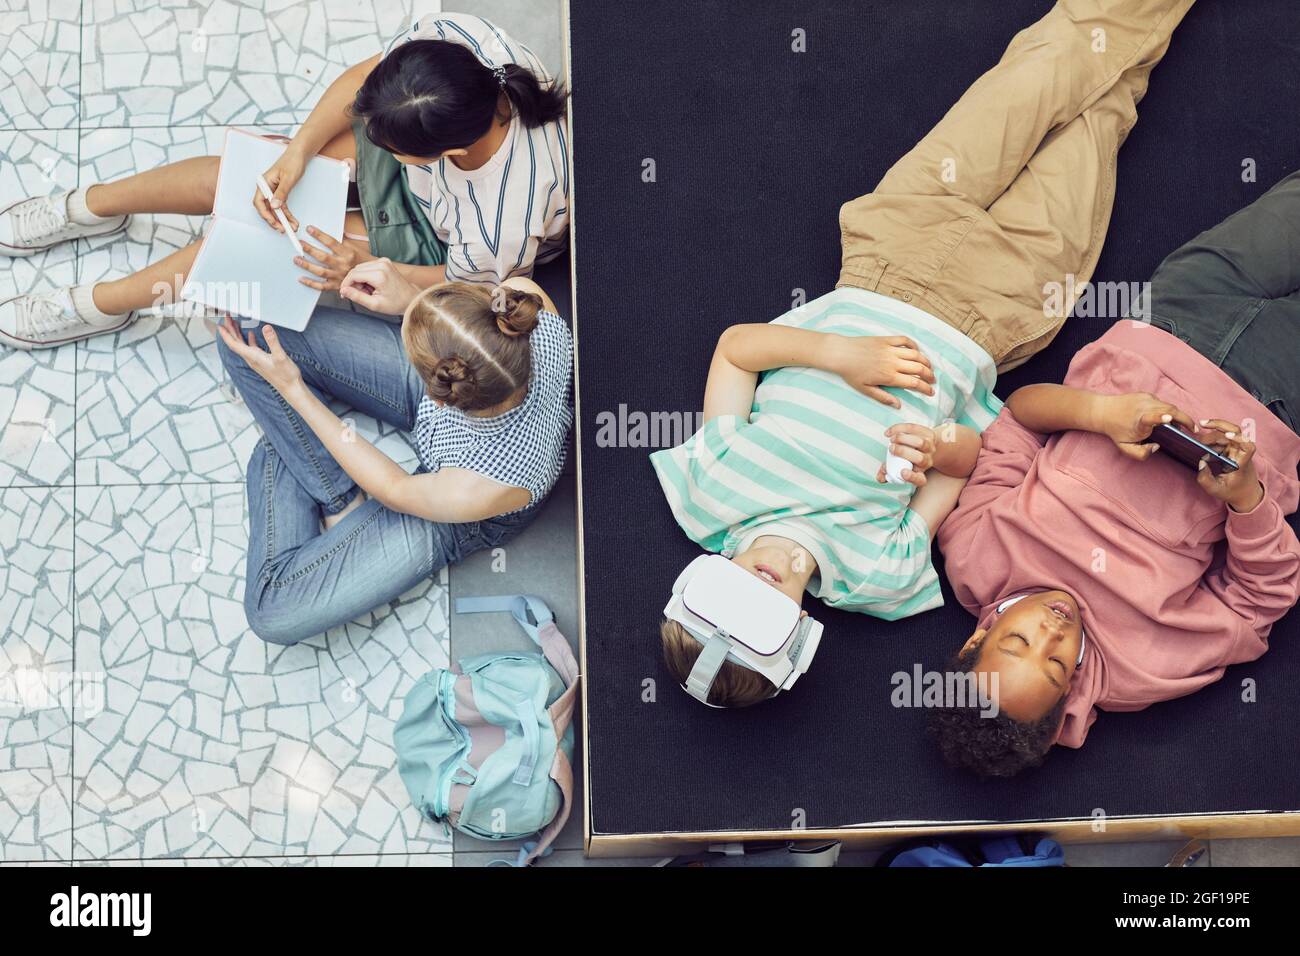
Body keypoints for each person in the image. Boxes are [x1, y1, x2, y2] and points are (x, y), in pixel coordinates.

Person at [651, 0, 1195, 707]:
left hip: (891, 252)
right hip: (998, 309)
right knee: (1104, 115)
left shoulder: (711, 498)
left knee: (1044, 70)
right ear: (797, 631)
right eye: (763, 609)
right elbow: (980, 456)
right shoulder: (877, 574)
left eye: (731, 590)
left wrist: (840, 356)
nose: (760, 578)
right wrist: (940, 446)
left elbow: (737, 352)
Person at [931, 169, 1300, 777]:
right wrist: (1245, 499)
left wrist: (1101, 413)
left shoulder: (973, 555)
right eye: (1055, 665)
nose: (1053, 631)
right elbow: (1262, 599)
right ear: (1071, 693)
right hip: (1277, 401)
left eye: (1018, 641)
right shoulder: (1146, 670)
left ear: (975, 641)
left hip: (1171, 324)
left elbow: (1019, 418)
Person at [0, 12, 568, 349]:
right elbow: (367, 81)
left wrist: (369, 270)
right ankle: (89, 206)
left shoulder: (502, 225)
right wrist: (297, 155)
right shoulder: (455, 40)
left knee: (264, 245)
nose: (368, 145)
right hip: (434, 177)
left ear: (447, 154)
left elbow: (457, 283)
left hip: (441, 240)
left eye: (384, 145)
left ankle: (102, 304)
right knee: (254, 177)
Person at [215, 259, 572, 644]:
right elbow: (471, 331)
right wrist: (412, 300)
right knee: (243, 331)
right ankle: (327, 482)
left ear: (439, 398)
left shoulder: (479, 487)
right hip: (472, 387)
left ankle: (307, 463)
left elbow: (394, 490)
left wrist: (293, 391)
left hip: (458, 514)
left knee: (272, 612)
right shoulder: (525, 308)